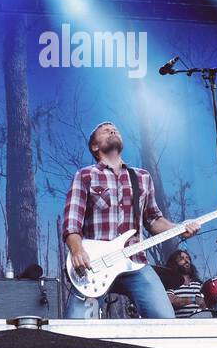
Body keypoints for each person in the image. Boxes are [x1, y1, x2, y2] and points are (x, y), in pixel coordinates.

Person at [61, 121, 198, 319]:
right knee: (77, 329)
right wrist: (77, 250)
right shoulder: (85, 175)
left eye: (115, 129)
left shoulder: (142, 177)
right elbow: (72, 221)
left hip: (135, 263)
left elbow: (153, 219)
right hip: (95, 266)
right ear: (95, 147)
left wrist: (179, 228)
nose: (112, 129)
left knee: (166, 321)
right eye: (104, 130)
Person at [162, 248, 206, 318]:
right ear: (174, 263)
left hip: (200, 324)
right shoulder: (170, 284)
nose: (186, 261)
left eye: (187, 258)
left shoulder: (198, 285)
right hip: (181, 326)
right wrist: (194, 299)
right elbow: (170, 301)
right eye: (181, 259)